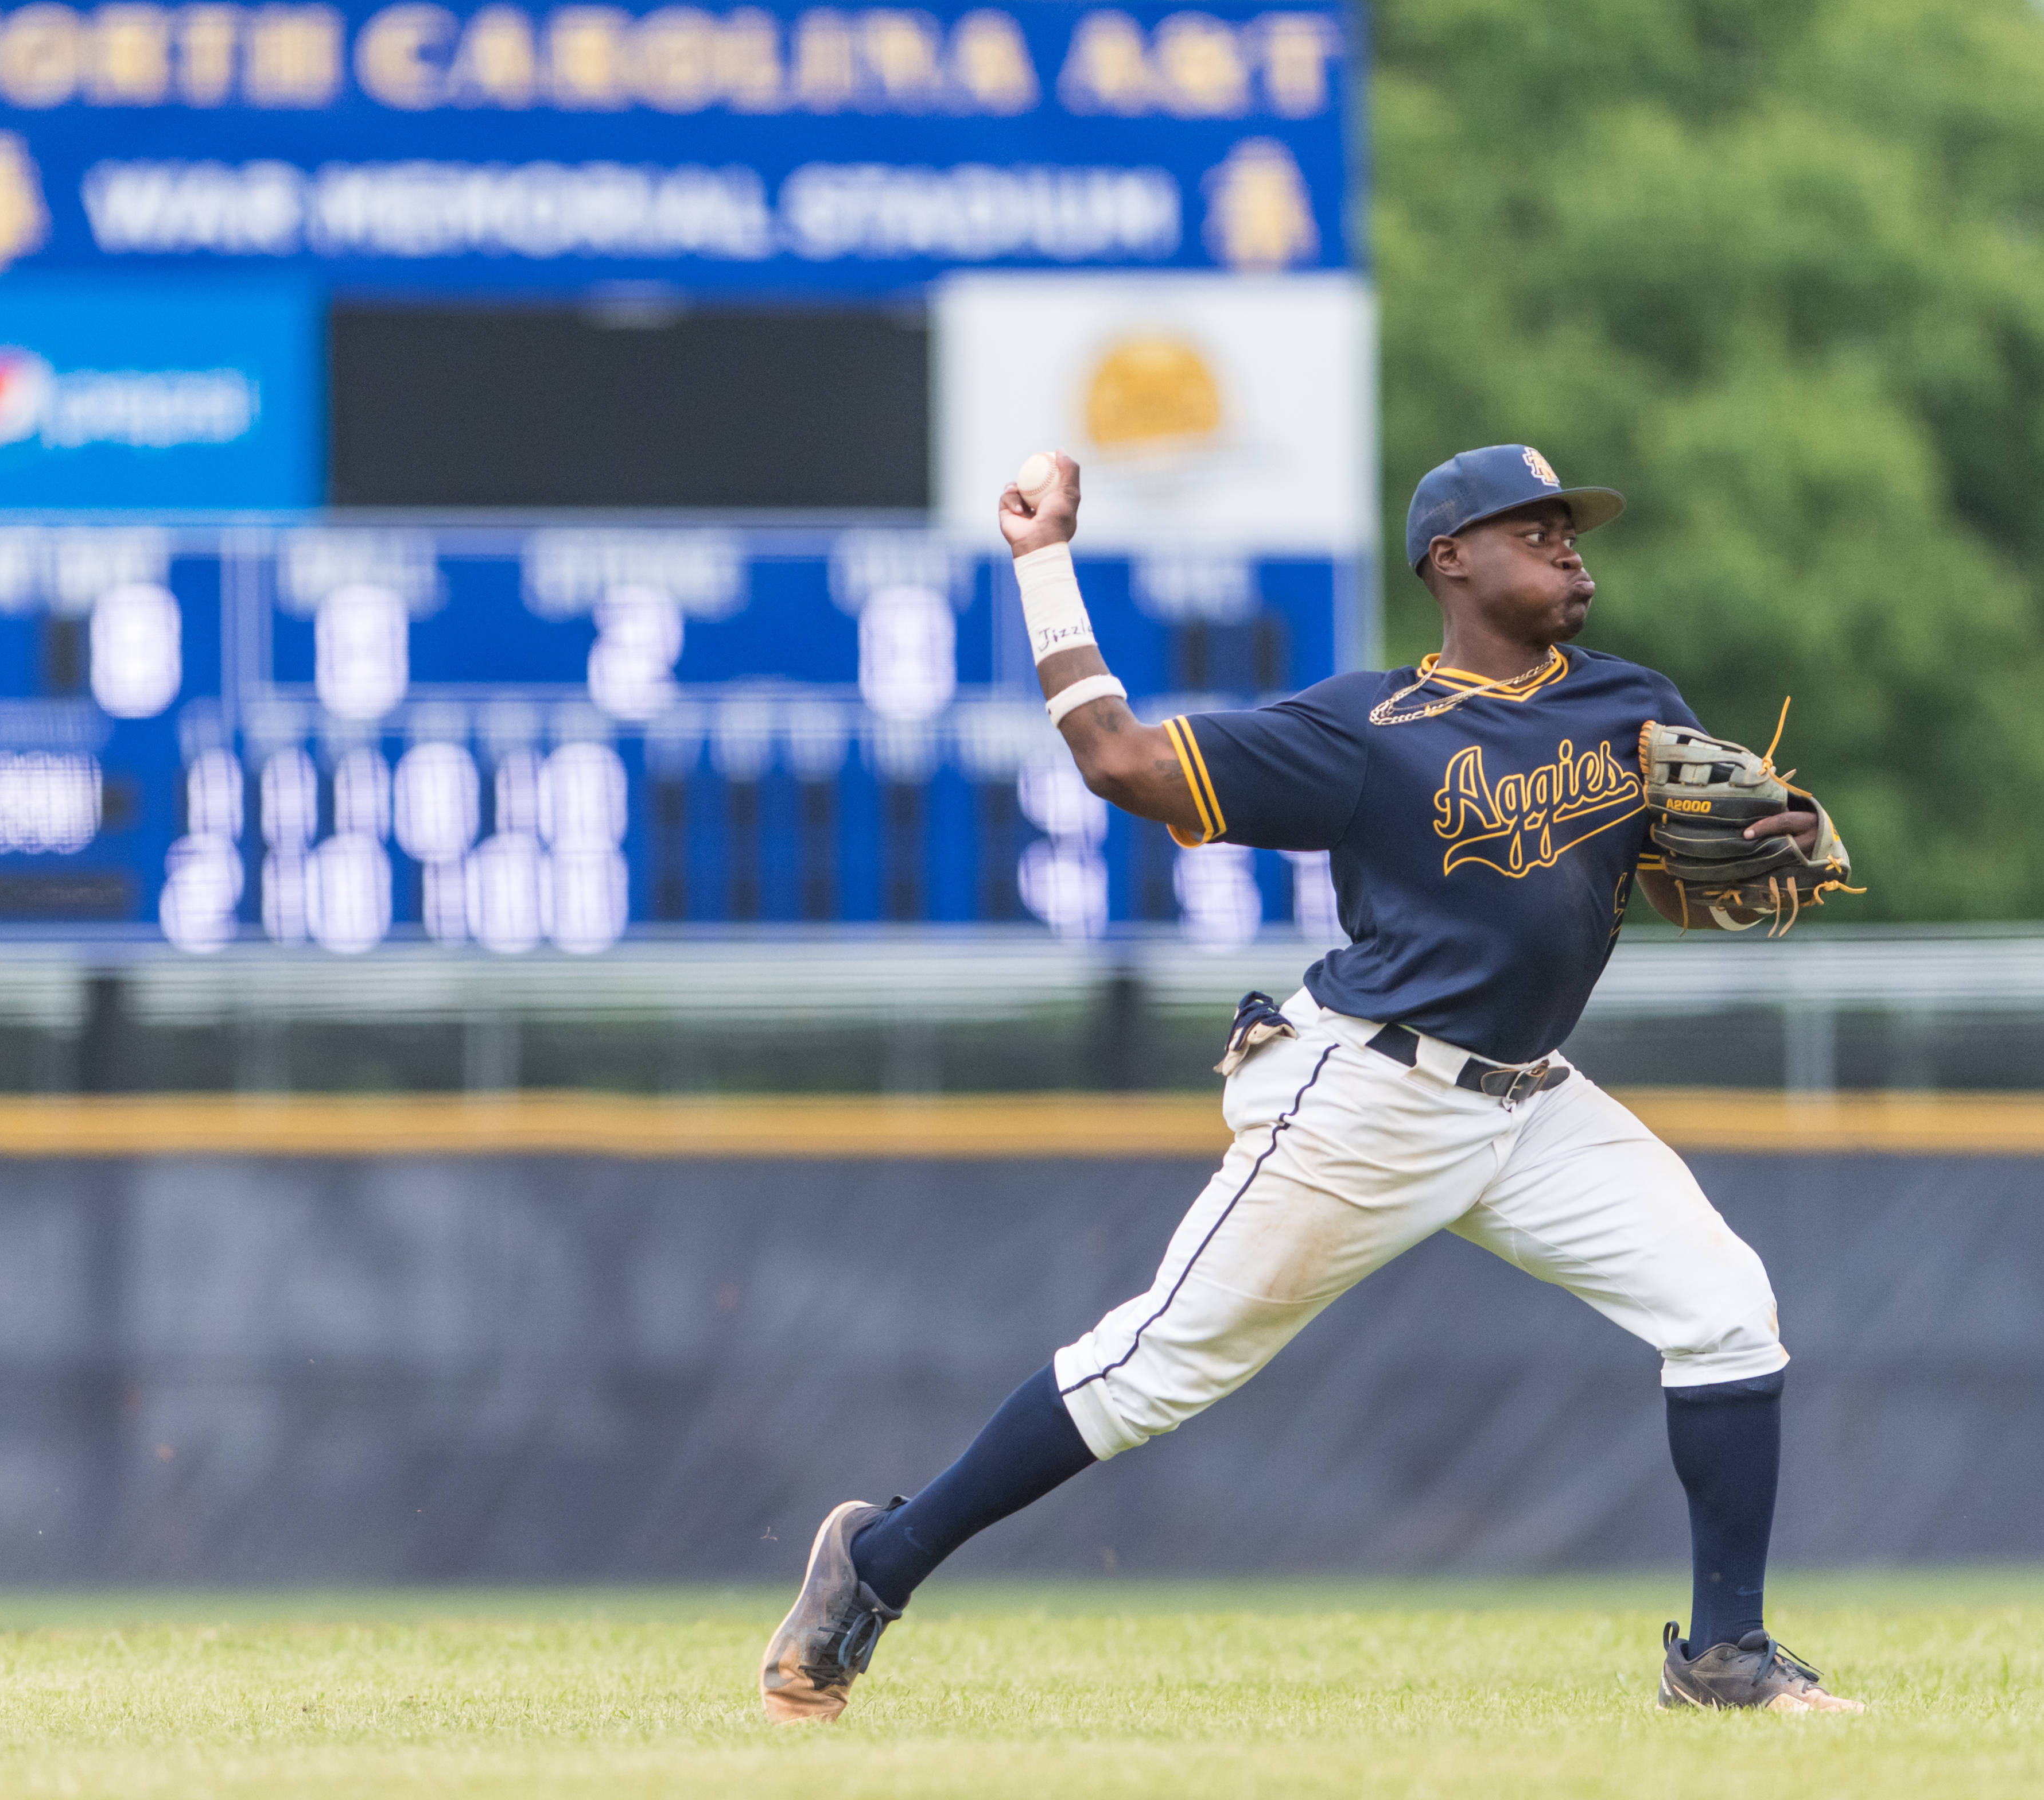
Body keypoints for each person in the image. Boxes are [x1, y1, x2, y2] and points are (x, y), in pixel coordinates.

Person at [760, 444, 1864, 1721]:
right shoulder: (1368, 728)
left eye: (1571, 528)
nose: (1570, 547)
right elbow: (1121, 762)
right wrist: (1044, 564)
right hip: (1370, 1098)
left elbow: (1656, 882)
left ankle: (1725, 1658)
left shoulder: (1629, 702)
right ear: (1451, 557)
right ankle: (875, 1562)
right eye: (1535, 527)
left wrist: (1746, 857)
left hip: (1532, 1100)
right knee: (1150, 1372)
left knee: (1724, 1305)